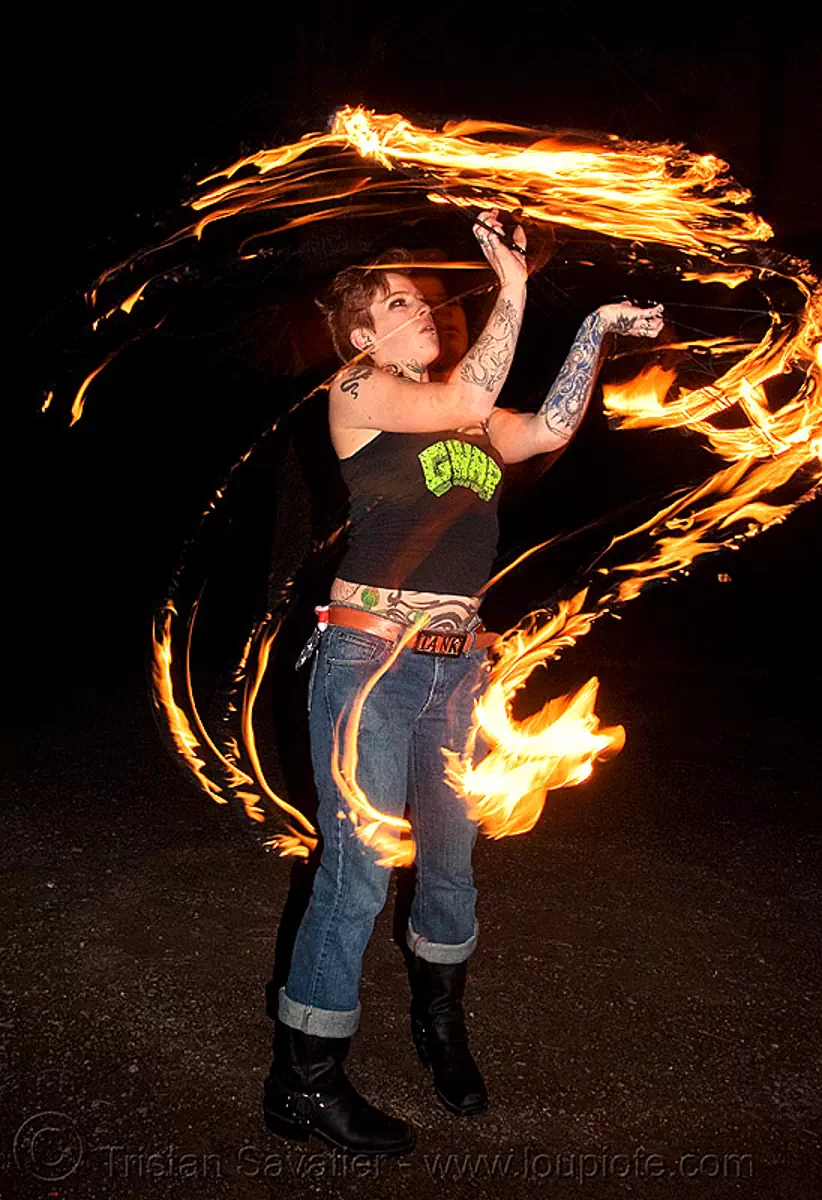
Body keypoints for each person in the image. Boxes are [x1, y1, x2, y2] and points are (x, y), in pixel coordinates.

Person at [263, 211, 664, 1157]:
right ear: (364, 336)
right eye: (400, 304)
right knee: (358, 876)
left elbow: (552, 424)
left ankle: (441, 1029)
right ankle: (304, 1085)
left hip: (458, 672)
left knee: (450, 873)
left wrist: (595, 326)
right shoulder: (358, 390)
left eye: (425, 299)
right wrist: (515, 286)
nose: (425, 311)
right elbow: (472, 386)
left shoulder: (469, 414)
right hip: (370, 667)